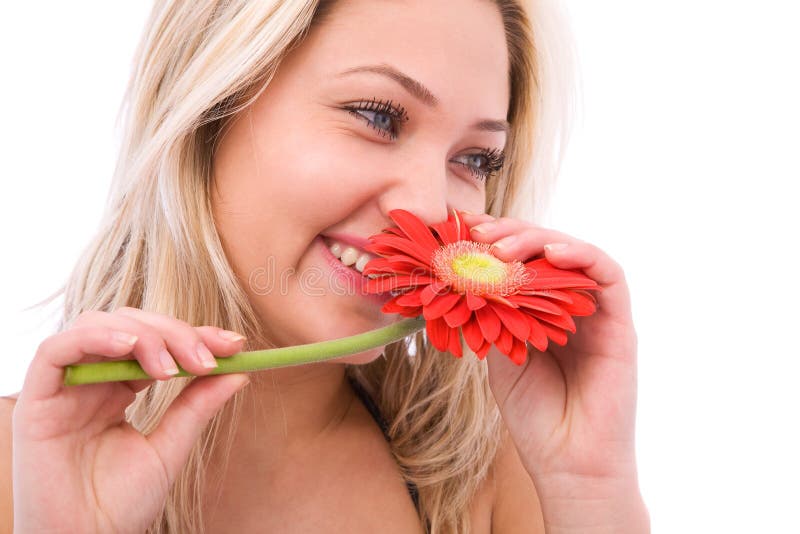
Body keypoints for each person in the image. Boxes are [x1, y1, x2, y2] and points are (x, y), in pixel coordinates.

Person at [0, 0, 650, 532]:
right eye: (377, 116)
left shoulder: (493, 481)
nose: (428, 208)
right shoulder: (26, 471)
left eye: (475, 159)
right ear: (212, 107)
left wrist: (591, 488)